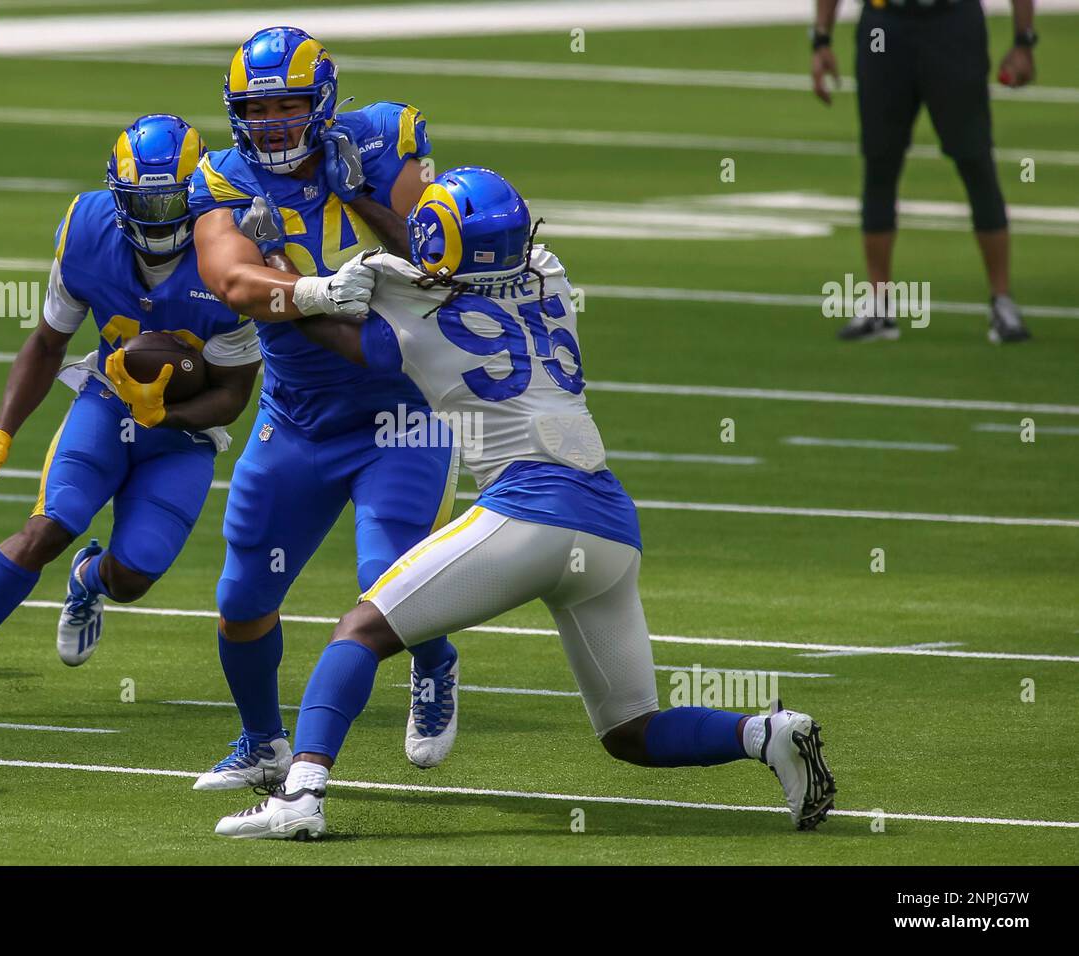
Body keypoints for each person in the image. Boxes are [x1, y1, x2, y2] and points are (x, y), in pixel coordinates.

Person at [214, 167, 836, 840]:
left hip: (529, 510)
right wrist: (368, 200)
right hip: (608, 525)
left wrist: (276, 257)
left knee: (359, 632)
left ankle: (301, 795)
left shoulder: (416, 315)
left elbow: (333, 325)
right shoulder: (549, 272)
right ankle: (766, 733)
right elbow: (437, 256)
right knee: (630, 728)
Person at [0, 114, 261, 715]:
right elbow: (48, 342)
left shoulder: (234, 250)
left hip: (184, 434)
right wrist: (1, 432)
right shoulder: (88, 231)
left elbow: (232, 394)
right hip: (104, 399)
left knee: (134, 577)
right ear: (117, 197)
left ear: (197, 194)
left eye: (170, 201)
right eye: (140, 203)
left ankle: (89, 581)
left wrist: (165, 415)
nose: (156, 217)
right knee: (48, 526)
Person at [187, 26, 464, 790]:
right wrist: (314, 292)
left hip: (400, 412)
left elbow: (436, 259)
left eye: (287, 105)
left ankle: (435, 660)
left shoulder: (381, 141)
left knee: (387, 585)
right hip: (299, 413)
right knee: (242, 596)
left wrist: (362, 196)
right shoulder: (224, 176)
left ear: (323, 103)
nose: (272, 122)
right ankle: (262, 744)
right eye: (258, 107)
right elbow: (232, 281)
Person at [811, 0, 1036, 342]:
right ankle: (878, 302)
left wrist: (1024, 39)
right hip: (882, 26)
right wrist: (821, 38)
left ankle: (1002, 300)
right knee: (879, 160)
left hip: (951, 21)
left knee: (975, 159)